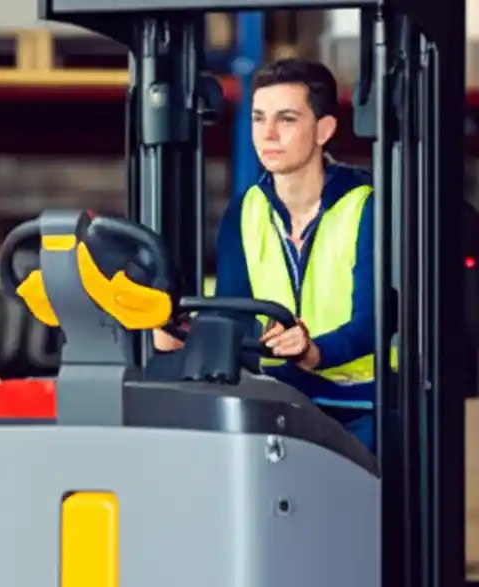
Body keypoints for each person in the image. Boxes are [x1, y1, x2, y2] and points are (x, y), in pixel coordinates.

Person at [158, 58, 377, 449]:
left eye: (287, 119)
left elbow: (375, 319)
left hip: (362, 405)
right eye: (259, 119)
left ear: (324, 129)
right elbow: (233, 317)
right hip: (281, 403)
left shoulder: (366, 207)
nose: (268, 134)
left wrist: (314, 351)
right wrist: (187, 338)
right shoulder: (245, 211)